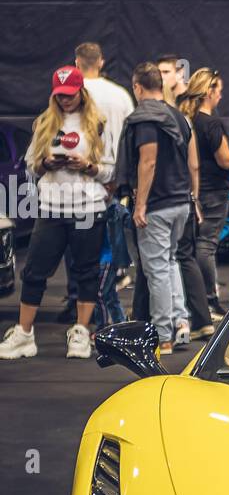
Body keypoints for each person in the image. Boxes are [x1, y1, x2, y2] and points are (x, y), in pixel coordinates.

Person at [0, 68, 111, 361]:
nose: (65, 100)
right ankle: (24, 334)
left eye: (70, 95)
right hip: (51, 208)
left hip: (88, 209)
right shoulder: (44, 123)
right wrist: (46, 163)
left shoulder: (97, 124)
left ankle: (81, 332)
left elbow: (111, 169)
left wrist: (87, 166)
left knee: (86, 272)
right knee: (34, 271)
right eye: (60, 96)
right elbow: (29, 167)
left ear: (81, 92)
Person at [118, 62, 197, 355]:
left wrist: (140, 205)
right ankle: (182, 323)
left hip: (158, 205)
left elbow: (148, 161)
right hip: (180, 202)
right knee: (170, 261)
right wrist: (195, 198)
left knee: (156, 271)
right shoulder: (178, 116)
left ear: (137, 87)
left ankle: (163, 336)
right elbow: (193, 163)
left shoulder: (145, 118)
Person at [76, 41, 134, 326]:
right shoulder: (121, 95)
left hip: (78, 188)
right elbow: (130, 142)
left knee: (86, 257)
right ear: (100, 62)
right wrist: (119, 181)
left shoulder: (73, 94)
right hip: (111, 184)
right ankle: (102, 317)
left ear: (77, 64)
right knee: (107, 257)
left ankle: (97, 318)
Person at [177, 68, 229, 321]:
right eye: (219, 91)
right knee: (206, 246)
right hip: (212, 192)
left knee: (191, 248)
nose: (221, 97)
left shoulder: (186, 121)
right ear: (208, 92)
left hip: (192, 191)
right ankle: (209, 302)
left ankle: (196, 302)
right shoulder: (211, 124)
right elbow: (225, 160)